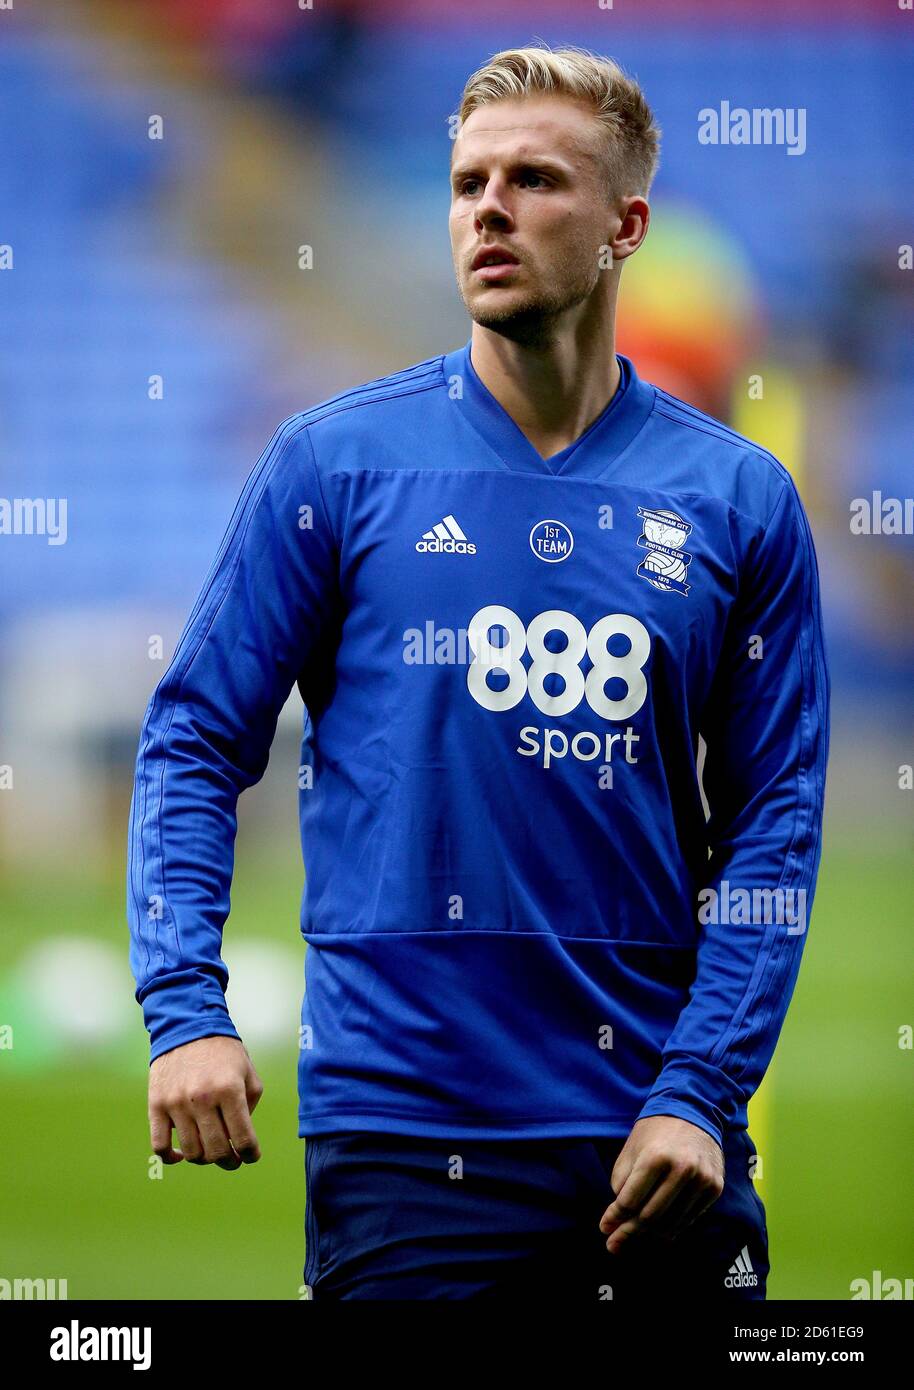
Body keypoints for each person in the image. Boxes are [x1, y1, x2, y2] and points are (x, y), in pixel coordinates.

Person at [127, 43, 830, 1301]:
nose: (487, 209)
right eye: (466, 183)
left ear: (626, 227)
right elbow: (191, 737)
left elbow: (769, 829)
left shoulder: (739, 501)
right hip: (405, 1145)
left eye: (533, 181)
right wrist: (185, 1006)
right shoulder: (333, 467)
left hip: (658, 1144)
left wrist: (699, 1093)